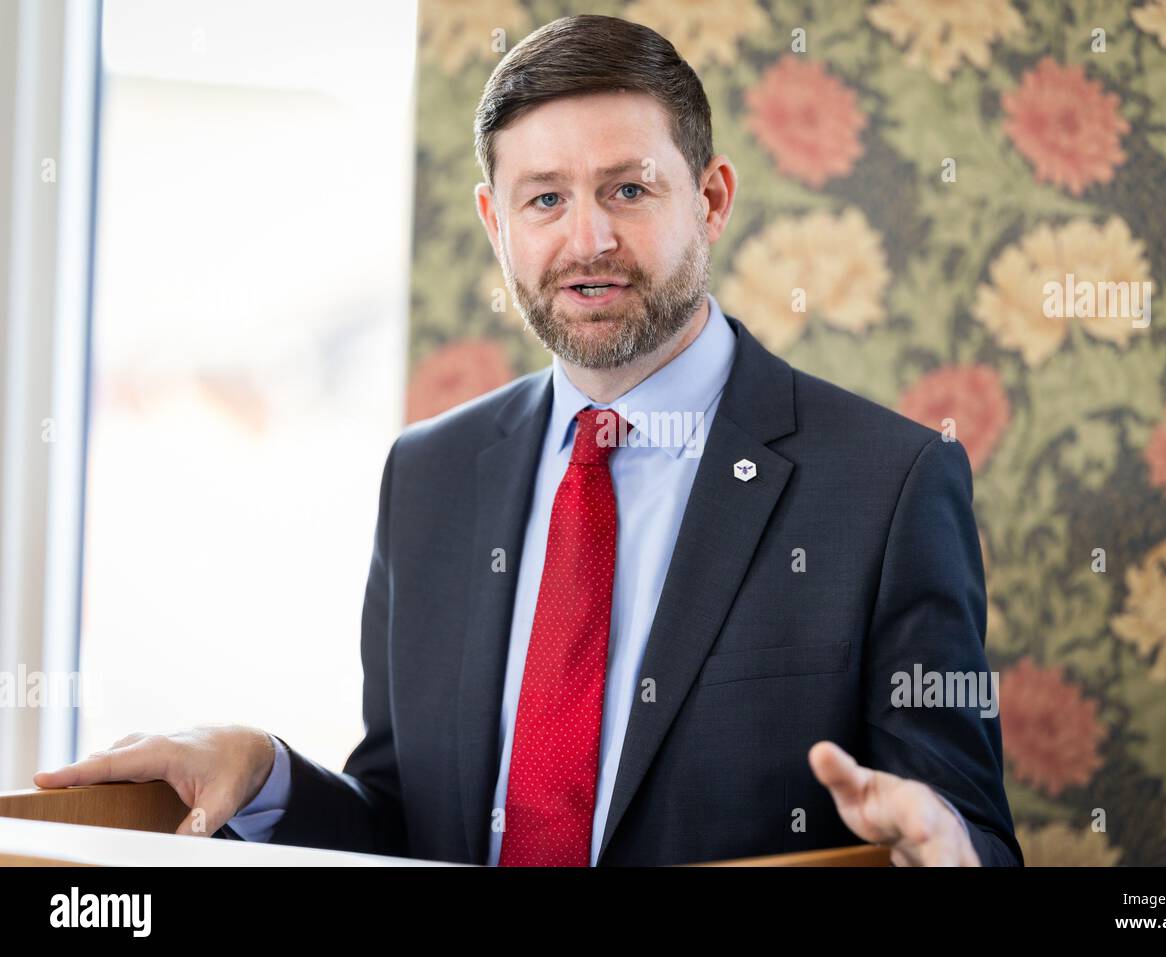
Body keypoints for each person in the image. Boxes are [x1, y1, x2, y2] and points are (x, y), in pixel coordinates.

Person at [36, 14, 1020, 867]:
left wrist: (944, 843)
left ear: (711, 199)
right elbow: (413, 831)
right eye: (544, 198)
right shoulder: (426, 476)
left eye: (628, 190)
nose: (586, 238)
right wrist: (265, 778)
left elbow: (960, 831)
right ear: (493, 223)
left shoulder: (886, 485)